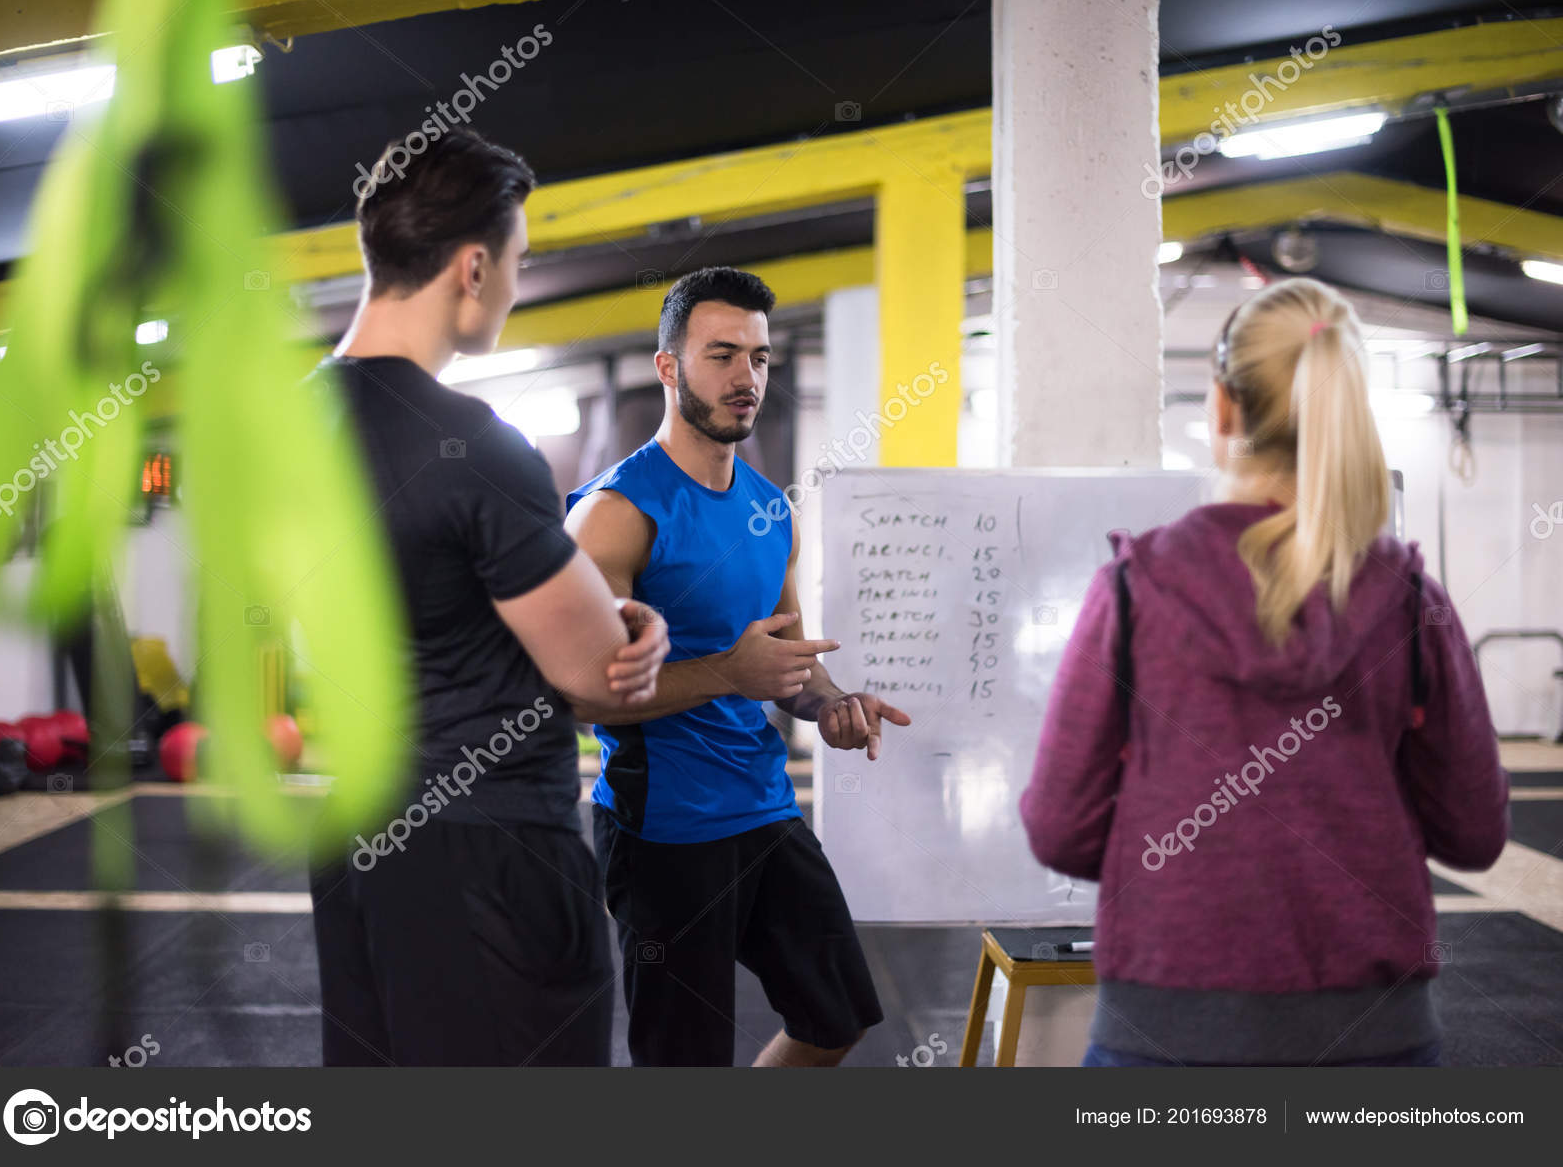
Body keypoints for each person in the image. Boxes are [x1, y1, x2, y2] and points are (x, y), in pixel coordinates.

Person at [1022, 276, 1508, 1067]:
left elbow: (1059, 824)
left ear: (1222, 408)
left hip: (1169, 1021)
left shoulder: (1137, 588)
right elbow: (1475, 832)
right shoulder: (1412, 602)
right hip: (1374, 1032)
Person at [308, 129, 669, 1067]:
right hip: (488, 852)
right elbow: (601, 681)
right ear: (472, 267)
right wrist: (634, 623)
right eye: (518, 261)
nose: (515, 282)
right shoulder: (475, 445)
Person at [564, 266, 907, 1066]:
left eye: (758, 358)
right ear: (667, 366)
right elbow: (587, 694)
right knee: (684, 1065)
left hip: (764, 809)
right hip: (663, 832)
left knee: (837, 1018)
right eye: (721, 355)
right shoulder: (614, 516)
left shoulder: (769, 508)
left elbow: (788, 662)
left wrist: (832, 707)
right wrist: (728, 673)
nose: (745, 378)